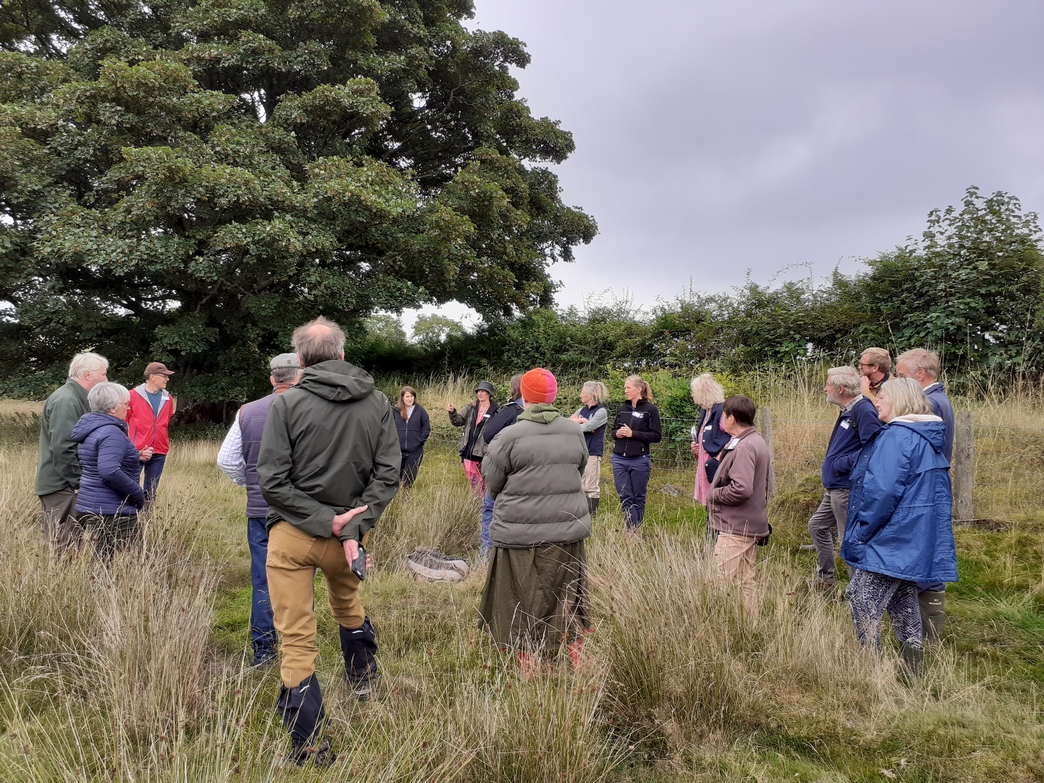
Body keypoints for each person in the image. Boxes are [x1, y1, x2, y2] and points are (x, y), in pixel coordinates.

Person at [257, 316, 400, 766]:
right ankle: (363, 683)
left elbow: (272, 482)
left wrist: (326, 520)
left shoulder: (286, 403)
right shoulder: (377, 402)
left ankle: (311, 747)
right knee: (348, 606)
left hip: (294, 536)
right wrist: (352, 524)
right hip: (349, 542)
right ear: (340, 353)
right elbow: (388, 472)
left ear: (300, 360)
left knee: (296, 638)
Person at [841, 377, 957, 676]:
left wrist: (862, 534)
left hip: (891, 535)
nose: (876, 400)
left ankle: (869, 667)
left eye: (882, 396)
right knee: (902, 598)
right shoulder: (925, 435)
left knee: (861, 597)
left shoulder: (897, 437)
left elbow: (880, 492)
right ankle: (911, 667)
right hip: (914, 535)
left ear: (900, 401)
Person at [479, 367, 592, 673]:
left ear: (524, 396)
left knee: (518, 595)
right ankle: (575, 655)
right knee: (566, 593)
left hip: (518, 533)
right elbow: (578, 470)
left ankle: (528, 664)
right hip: (567, 530)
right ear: (554, 397)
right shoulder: (574, 431)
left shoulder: (509, 435)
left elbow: (492, 480)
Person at [216, 353, 302, 668]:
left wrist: (251, 484)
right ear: (300, 376)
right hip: (298, 510)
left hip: (259, 510)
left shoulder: (247, 412)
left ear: (272, 379)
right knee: (298, 577)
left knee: (263, 579)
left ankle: (264, 653)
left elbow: (225, 460)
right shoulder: (310, 409)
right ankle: (297, 648)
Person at [894, 348, 955, 639]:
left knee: (926, 557)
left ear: (920, 375)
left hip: (924, 490)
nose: (898, 382)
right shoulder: (939, 399)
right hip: (929, 488)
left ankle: (925, 631)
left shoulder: (929, 402)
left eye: (902, 376)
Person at [808, 366, 882, 590]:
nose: (825, 388)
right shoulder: (847, 410)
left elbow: (875, 447)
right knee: (817, 526)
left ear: (840, 389)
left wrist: (841, 464)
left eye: (828, 384)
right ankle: (825, 579)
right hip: (834, 487)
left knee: (848, 540)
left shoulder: (863, 410)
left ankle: (859, 594)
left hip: (846, 488)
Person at [35, 352, 109, 546]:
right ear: (87, 375)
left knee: (72, 543)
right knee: (63, 546)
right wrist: (78, 482)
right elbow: (63, 447)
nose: (106, 379)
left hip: (67, 484)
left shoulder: (75, 398)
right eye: (103, 374)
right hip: (62, 486)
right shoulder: (67, 401)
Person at [708, 396, 771, 612]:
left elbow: (742, 488)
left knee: (723, 582)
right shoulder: (755, 440)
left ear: (732, 418)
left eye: (723, 416)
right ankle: (749, 628)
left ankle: (725, 629)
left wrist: (713, 494)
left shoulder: (745, 447)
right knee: (745, 582)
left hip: (736, 526)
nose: (721, 420)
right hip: (749, 523)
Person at [71, 382, 146, 560]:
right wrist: (137, 494)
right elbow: (109, 471)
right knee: (133, 562)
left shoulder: (92, 429)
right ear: (112, 408)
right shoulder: (112, 432)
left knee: (102, 561)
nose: (128, 408)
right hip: (114, 510)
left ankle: (94, 588)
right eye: (125, 404)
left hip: (92, 505)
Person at [475, 375, 523, 560]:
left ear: (513, 389)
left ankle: (486, 559)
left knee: (490, 508)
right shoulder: (540, 412)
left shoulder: (512, 410)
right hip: (528, 471)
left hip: (505, 467)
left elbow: (488, 434)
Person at [611, 375, 661, 530]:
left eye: (628, 387)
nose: (625, 390)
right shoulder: (621, 409)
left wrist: (633, 434)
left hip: (640, 459)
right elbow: (613, 431)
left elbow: (656, 436)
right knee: (625, 495)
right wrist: (617, 434)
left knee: (638, 497)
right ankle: (630, 529)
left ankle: (634, 530)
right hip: (619, 458)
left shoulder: (650, 410)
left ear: (639, 389)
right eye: (625, 387)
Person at [127, 362, 176, 506]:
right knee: (131, 485)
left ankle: (147, 519)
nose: (167, 379)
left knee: (151, 490)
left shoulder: (168, 398)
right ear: (153, 377)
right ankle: (129, 516)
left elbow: (166, 421)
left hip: (159, 449)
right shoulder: (132, 396)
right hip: (137, 450)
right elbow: (124, 420)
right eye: (164, 376)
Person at [689, 374, 730, 523]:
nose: (692, 394)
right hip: (705, 464)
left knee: (716, 503)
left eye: (694, 391)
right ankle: (711, 536)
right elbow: (707, 438)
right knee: (710, 504)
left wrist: (719, 457)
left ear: (702, 391)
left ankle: (716, 537)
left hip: (716, 465)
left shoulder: (721, 411)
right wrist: (697, 447)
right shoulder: (705, 412)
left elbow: (735, 436)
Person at [447, 381, 499, 498]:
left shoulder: (495, 411)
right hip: (468, 450)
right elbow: (458, 421)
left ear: (489, 394)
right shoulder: (470, 407)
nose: (480, 394)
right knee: (474, 481)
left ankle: (485, 502)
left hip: (484, 452)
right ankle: (477, 502)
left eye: (483, 391)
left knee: (485, 481)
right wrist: (452, 412)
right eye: (478, 391)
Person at [571, 380, 609, 518]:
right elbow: (569, 424)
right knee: (579, 483)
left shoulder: (601, 412)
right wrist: (581, 421)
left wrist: (580, 423)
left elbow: (588, 427)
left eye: (583, 392)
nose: (580, 395)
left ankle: (591, 515)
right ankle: (580, 513)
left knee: (591, 485)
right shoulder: (581, 411)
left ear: (591, 395)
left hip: (593, 452)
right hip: (579, 450)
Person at [394, 386, 431, 489]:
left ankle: (406, 497)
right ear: (402, 398)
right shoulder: (395, 411)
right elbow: (388, 428)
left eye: (412, 396)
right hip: (398, 451)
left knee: (409, 477)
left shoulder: (420, 411)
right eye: (407, 396)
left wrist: (419, 441)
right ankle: (395, 498)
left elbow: (426, 428)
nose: (410, 399)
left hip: (415, 451)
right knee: (395, 477)